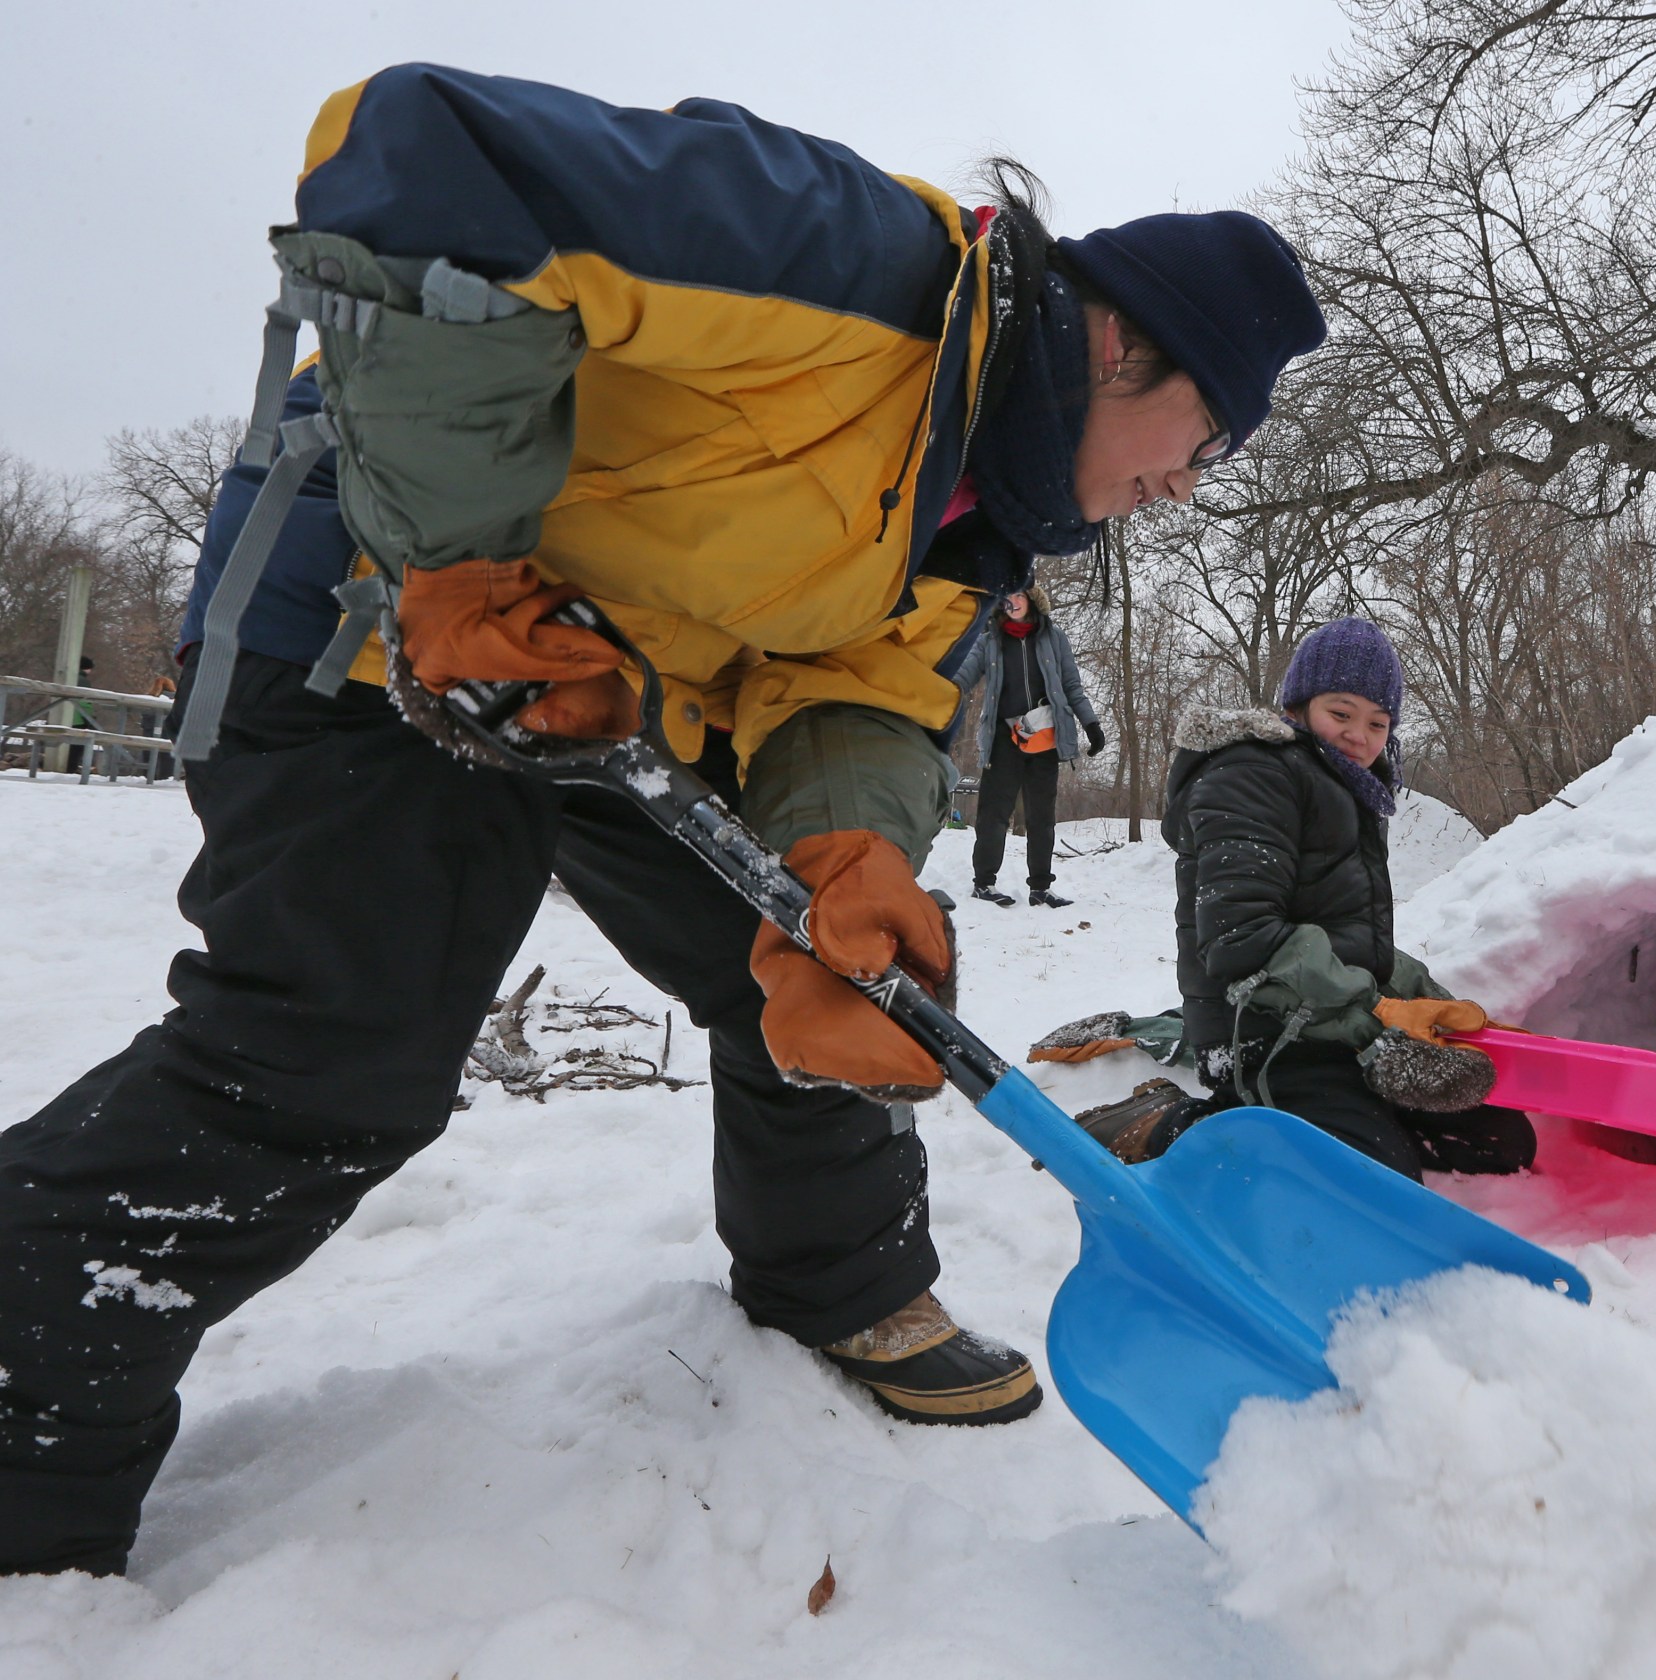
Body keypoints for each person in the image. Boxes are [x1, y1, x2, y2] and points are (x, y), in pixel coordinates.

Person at [0, 63, 1323, 1577]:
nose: (1181, 492)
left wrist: (848, 855)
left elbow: (861, 701)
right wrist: (461, 553)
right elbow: (431, 155)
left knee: (833, 969)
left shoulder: (985, 517)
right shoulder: (856, 267)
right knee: (328, 1053)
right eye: (1204, 447)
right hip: (372, 618)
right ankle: (22, 1412)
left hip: (609, 689)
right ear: (1122, 346)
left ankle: (842, 1280)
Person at [1081, 618, 1537, 1181]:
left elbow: (1346, 935)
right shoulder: (1252, 773)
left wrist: (1425, 1002)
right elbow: (1243, 941)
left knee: (1499, 1142)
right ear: (1296, 706)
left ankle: (1341, 1115)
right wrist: (1377, 1028)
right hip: (1265, 1036)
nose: (1359, 736)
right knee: (1374, 1179)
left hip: (1329, 1026)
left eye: (1377, 722)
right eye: (1341, 714)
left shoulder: (1348, 791)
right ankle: (1169, 1123)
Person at [954, 585, 1104, 908]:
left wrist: (1091, 725)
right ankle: (984, 883)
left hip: (1045, 738)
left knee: (1041, 816)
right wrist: (941, 693)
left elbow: (1071, 686)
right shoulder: (990, 640)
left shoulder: (1053, 638)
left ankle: (1040, 888)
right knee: (994, 813)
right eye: (1006, 597)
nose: (1013, 603)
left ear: (1032, 599)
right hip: (1003, 738)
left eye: (1019, 595)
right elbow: (963, 675)